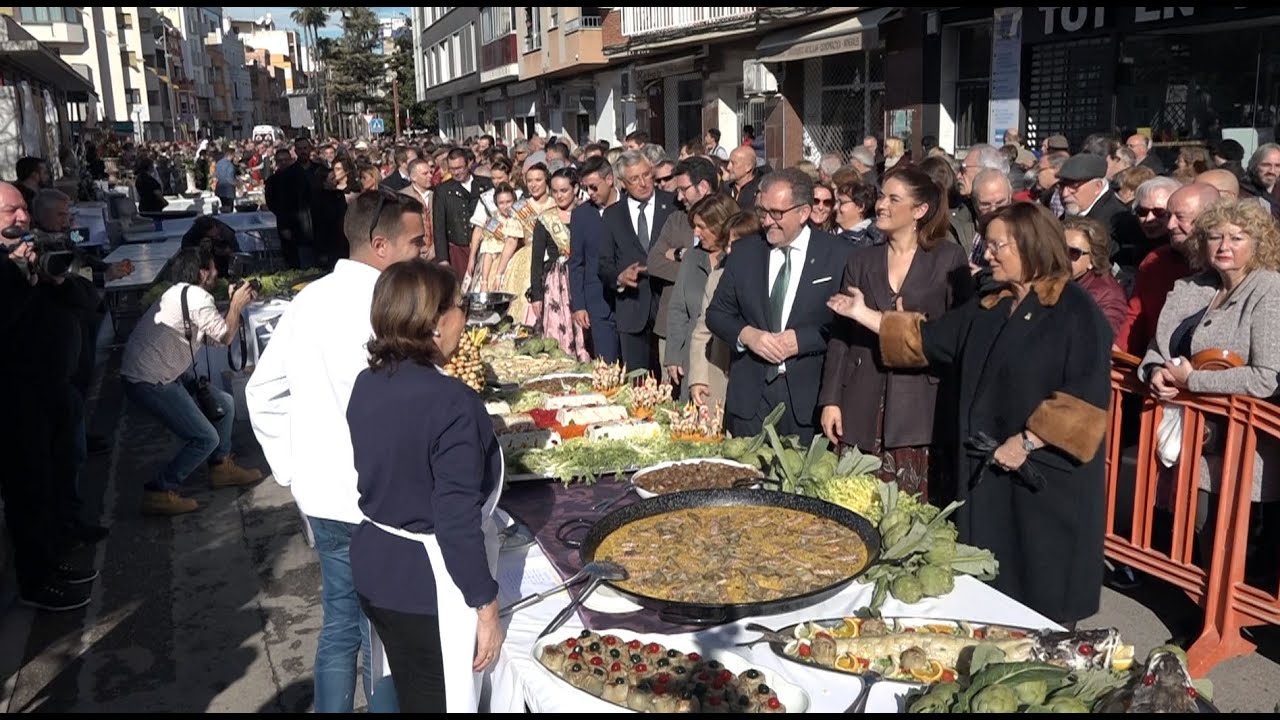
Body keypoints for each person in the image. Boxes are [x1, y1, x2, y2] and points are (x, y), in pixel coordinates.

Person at [828, 201, 1112, 625]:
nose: (987, 254)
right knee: (991, 579)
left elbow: (1083, 398)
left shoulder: (1075, 311)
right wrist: (862, 313)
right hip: (988, 469)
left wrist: (1026, 442)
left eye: (998, 245)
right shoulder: (991, 304)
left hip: (1044, 476)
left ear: (1031, 247)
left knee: (1042, 581)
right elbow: (927, 339)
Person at [247, 191, 426, 714]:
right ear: (379, 244)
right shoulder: (387, 306)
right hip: (377, 501)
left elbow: (262, 391)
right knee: (384, 634)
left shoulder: (309, 299)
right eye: (416, 242)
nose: (423, 251)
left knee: (342, 623)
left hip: (324, 495)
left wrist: (294, 470)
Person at [347, 260, 504, 713]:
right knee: (435, 699)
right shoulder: (452, 402)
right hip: (424, 584)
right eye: (461, 308)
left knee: (407, 685)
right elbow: (455, 521)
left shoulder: (368, 381)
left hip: (377, 563)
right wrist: (486, 606)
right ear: (435, 323)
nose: (466, 318)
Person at [1141, 199, 1280, 571]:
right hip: (1192, 434)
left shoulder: (1269, 289)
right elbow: (1160, 346)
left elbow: (1267, 376)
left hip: (1241, 440)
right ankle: (1200, 611)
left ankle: (1220, 621)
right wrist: (1154, 371)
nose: (1224, 246)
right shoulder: (1191, 285)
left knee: (1227, 536)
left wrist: (1193, 381)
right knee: (1195, 525)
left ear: (1259, 242)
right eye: (1215, 237)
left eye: (1237, 238)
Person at [819, 168, 971, 498]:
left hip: (920, 407)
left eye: (893, 199)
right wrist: (831, 399)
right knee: (855, 505)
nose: (881, 205)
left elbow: (957, 335)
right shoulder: (861, 260)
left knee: (910, 517)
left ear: (920, 211)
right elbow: (840, 336)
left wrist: (903, 326)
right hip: (861, 401)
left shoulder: (948, 260)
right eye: (882, 196)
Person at [704, 168, 855, 442]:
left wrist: (804, 340)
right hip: (751, 398)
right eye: (763, 212)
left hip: (807, 400)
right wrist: (747, 335)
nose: (767, 221)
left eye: (777, 213)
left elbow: (848, 325)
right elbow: (716, 314)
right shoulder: (746, 252)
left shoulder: (839, 255)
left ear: (804, 212)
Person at [120, 247, 264, 515]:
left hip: (159, 373)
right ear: (202, 272)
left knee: (225, 404)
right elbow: (224, 337)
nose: (217, 273)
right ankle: (159, 491)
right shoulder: (196, 296)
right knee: (204, 437)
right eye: (213, 268)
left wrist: (233, 307)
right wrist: (235, 306)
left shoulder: (180, 292)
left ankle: (221, 466)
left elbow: (212, 337)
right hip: (150, 380)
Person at [599, 150, 676, 372]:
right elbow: (603, 264)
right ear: (623, 183)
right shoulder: (613, 215)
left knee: (671, 383)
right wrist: (619, 278)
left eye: (646, 175)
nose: (643, 183)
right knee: (638, 381)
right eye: (634, 179)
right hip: (631, 309)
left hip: (668, 306)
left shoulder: (672, 205)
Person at [664, 193, 740, 398]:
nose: (696, 233)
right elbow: (678, 308)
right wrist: (673, 355)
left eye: (701, 227)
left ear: (720, 224)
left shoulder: (739, 259)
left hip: (727, 363)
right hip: (694, 357)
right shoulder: (693, 257)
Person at [688, 211, 760, 409]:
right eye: (727, 243)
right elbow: (701, 332)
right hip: (718, 374)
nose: (728, 250)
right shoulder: (716, 279)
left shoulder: (768, 281)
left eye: (735, 245)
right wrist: (698, 378)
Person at [528, 168, 588, 359]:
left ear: (575, 188)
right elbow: (536, 260)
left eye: (564, 190)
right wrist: (536, 295)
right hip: (556, 284)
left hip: (582, 277)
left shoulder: (587, 213)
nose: (559, 196)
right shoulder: (545, 219)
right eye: (555, 191)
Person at [568, 157, 621, 362]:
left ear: (609, 179)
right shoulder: (582, 215)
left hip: (631, 304)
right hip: (597, 302)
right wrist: (579, 304)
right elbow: (577, 263)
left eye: (593, 187)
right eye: (586, 188)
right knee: (606, 365)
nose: (590, 193)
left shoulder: (630, 207)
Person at [1061, 216, 1127, 336]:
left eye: (1073, 253)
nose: (1063, 257)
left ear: (1093, 259)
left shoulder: (1107, 296)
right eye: (1059, 249)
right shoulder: (1052, 279)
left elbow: (1101, 340)